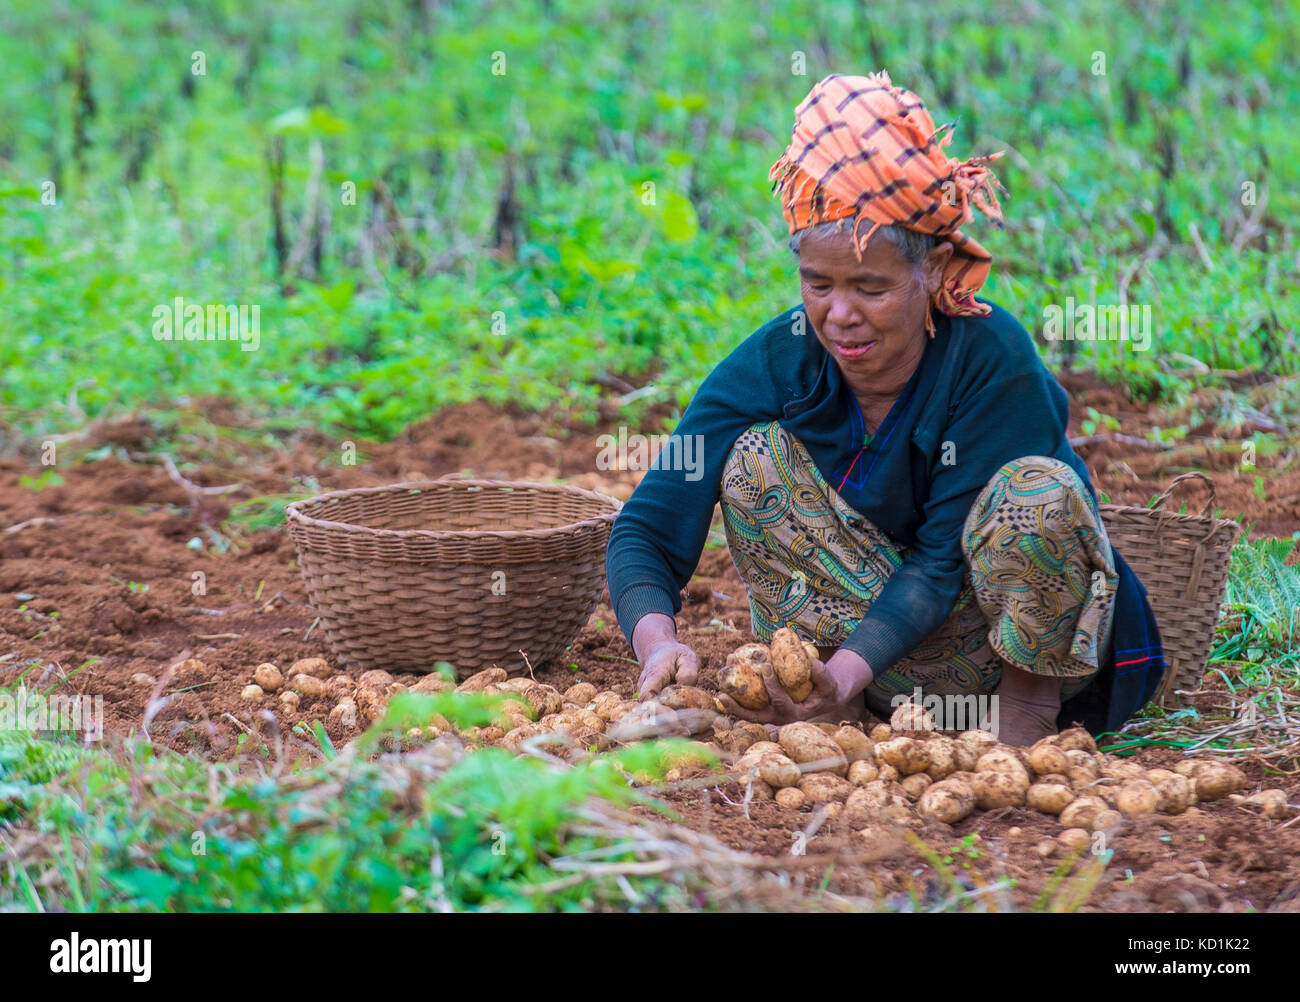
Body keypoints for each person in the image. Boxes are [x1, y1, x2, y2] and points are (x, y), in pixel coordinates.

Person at [604, 72, 1164, 745]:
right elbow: (649, 524)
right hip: (881, 663)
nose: (839, 315)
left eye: (871, 287)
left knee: (1037, 494)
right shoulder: (784, 357)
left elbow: (937, 566)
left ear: (930, 270)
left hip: (1004, 650)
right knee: (752, 460)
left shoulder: (990, 357)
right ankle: (845, 704)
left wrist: (843, 671)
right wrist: (656, 641)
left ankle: (1025, 720)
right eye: (819, 283)